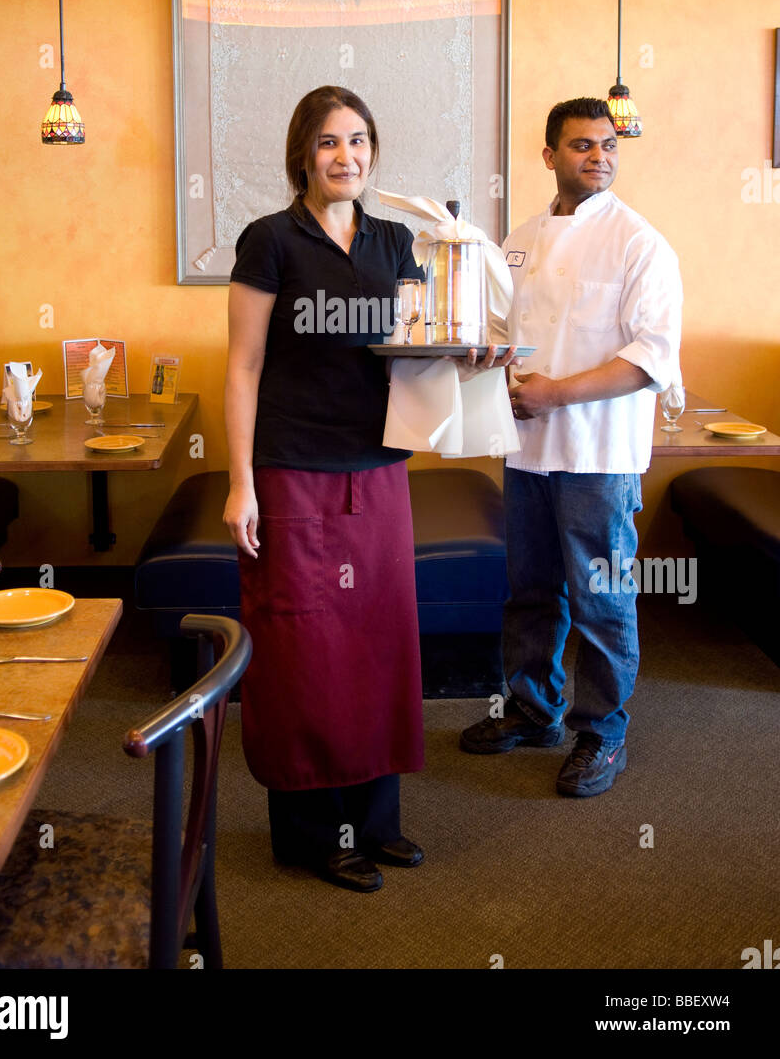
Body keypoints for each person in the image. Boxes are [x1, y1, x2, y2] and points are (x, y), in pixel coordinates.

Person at [223, 85, 425, 892]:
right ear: (302, 156)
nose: (347, 157)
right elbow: (241, 366)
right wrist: (241, 483)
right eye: (329, 144)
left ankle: (376, 824)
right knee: (304, 651)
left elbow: (419, 347)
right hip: (293, 472)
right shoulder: (270, 240)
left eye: (359, 141)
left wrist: (475, 357)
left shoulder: (396, 241)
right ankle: (310, 834)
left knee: (378, 646)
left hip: (377, 470)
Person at [460, 96, 683, 796]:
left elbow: (650, 359)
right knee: (529, 591)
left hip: (598, 455)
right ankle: (533, 709)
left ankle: (602, 732)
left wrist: (554, 392)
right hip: (525, 449)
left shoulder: (639, 244)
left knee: (601, 599)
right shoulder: (517, 240)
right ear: (549, 154)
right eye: (582, 145)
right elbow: (497, 333)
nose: (599, 157)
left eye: (608, 145)